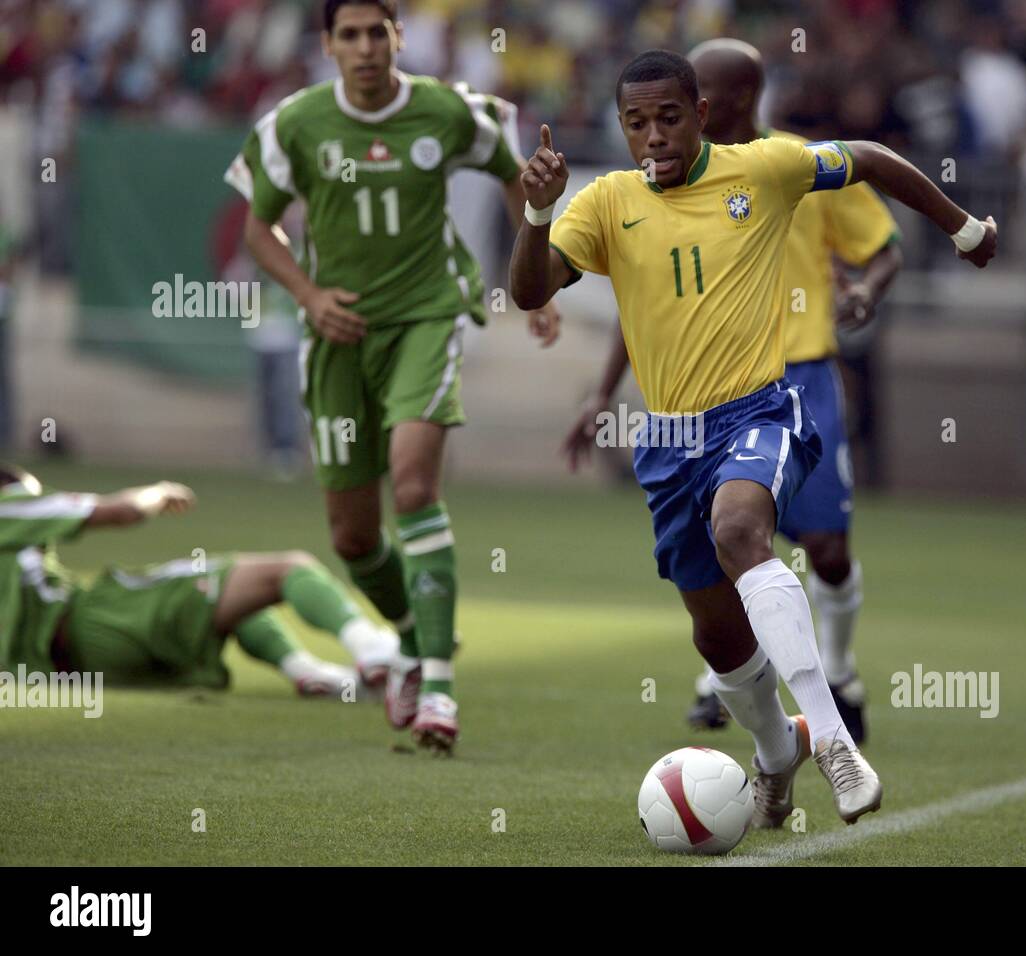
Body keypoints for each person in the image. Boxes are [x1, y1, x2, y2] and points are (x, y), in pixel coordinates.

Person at [511, 50, 996, 827]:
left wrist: (964, 227)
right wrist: (537, 214)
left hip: (760, 410)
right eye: (636, 123)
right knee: (717, 637)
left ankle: (834, 739)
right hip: (668, 443)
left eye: (670, 117)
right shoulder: (604, 202)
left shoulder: (762, 169)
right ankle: (777, 749)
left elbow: (868, 158)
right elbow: (529, 290)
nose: (654, 136)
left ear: (702, 113)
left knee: (743, 529)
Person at [225, 0, 561, 754]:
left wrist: (536, 283)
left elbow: (516, 178)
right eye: (351, 34)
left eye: (379, 32)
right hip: (337, 337)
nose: (366, 47)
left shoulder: (447, 111)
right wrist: (309, 297)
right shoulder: (294, 124)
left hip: (425, 317)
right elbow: (257, 227)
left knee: (413, 484)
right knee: (352, 538)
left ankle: (438, 685)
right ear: (329, 45)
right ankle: (412, 635)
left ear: (399, 39)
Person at [561, 39, 903, 744]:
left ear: (733, 100)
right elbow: (648, 306)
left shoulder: (788, 164)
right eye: (643, 116)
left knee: (826, 548)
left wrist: (866, 287)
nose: (662, 127)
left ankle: (834, 675)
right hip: (690, 400)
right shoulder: (651, 192)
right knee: (733, 542)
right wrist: (603, 391)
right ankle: (741, 687)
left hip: (794, 372)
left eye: (692, 103)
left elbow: (881, 242)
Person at [0, 463, 404, 701]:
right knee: (289, 568)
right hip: (97, 621)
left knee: (220, 604)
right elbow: (120, 511)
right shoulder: (9, 507)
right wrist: (158, 491)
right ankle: (373, 648)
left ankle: (309, 671)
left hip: (70, 670)